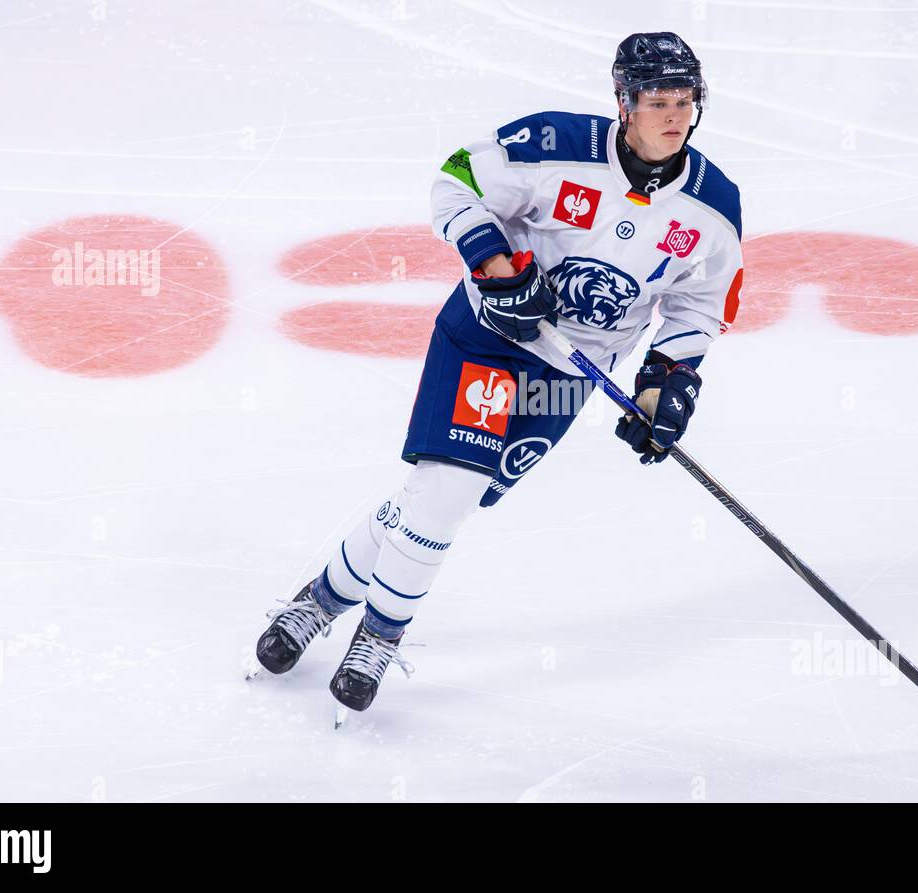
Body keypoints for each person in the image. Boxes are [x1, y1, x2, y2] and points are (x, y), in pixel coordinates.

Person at [253, 32, 744, 714]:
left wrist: (666, 382)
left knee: (434, 495)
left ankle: (320, 599)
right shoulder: (553, 144)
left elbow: (698, 304)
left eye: (686, 100)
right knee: (451, 488)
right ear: (623, 103)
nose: (675, 115)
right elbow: (456, 181)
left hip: (570, 375)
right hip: (488, 338)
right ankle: (379, 636)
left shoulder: (714, 205)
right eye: (658, 99)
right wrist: (493, 267)